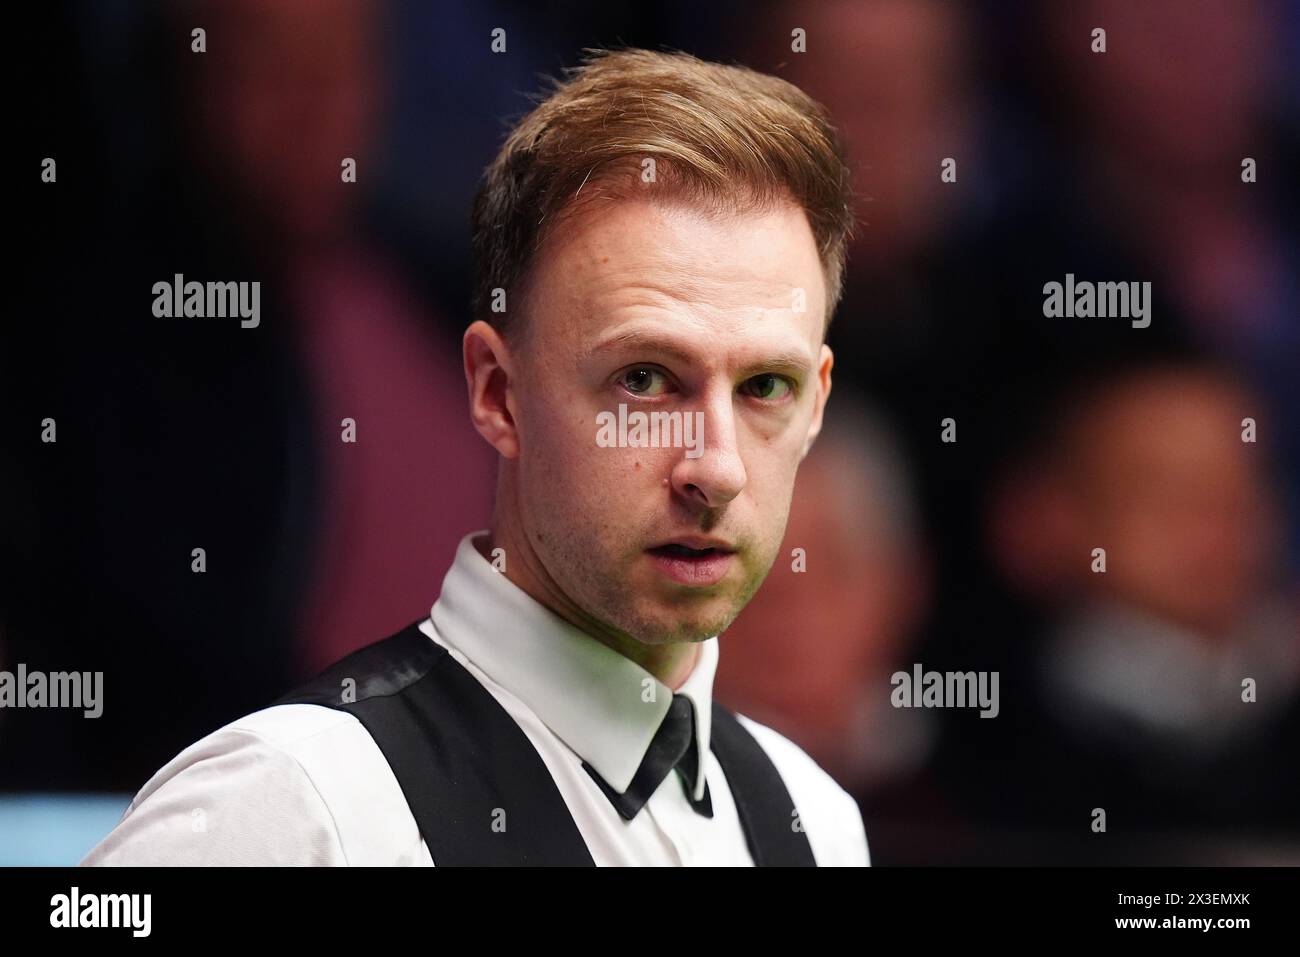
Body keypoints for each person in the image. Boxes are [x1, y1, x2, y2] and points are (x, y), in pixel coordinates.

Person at [83, 48, 869, 866]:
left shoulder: (815, 821)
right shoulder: (292, 810)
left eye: (765, 385)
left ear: (816, 402)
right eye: (644, 379)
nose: (718, 467)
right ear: (498, 393)